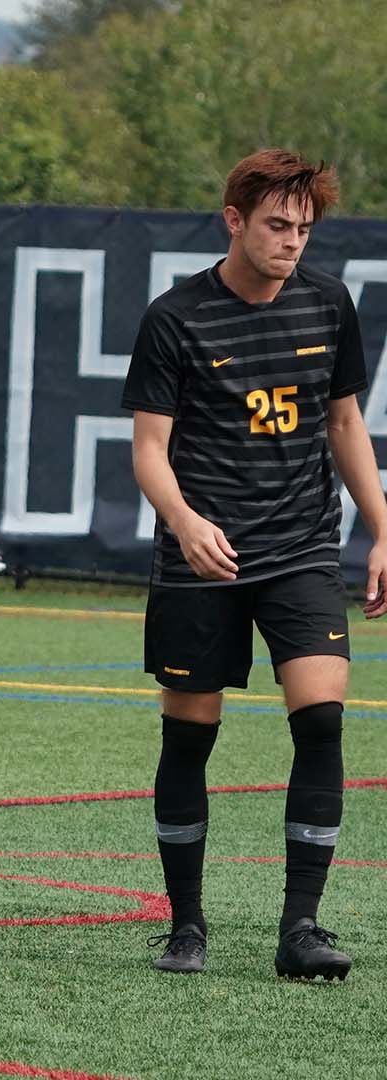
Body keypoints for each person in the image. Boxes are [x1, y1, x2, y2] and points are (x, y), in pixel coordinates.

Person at [123, 149, 386, 981]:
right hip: (202, 559)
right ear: (233, 221)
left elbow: (345, 426)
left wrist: (383, 528)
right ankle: (187, 927)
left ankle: (300, 929)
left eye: (304, 228)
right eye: (278, 225)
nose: (293, 241)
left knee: (321, 720)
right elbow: (149, 451)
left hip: (303, 548)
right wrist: (185, 519)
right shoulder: (174, 318)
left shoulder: (329, 304)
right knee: (190, 735)